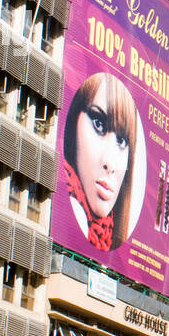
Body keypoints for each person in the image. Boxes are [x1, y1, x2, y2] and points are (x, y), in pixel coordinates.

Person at [63, 73, 138, 251]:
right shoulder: (68, 210)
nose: (109, 163)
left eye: (121, 141)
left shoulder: (113, 240)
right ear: (74, 119)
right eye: (98, 123)